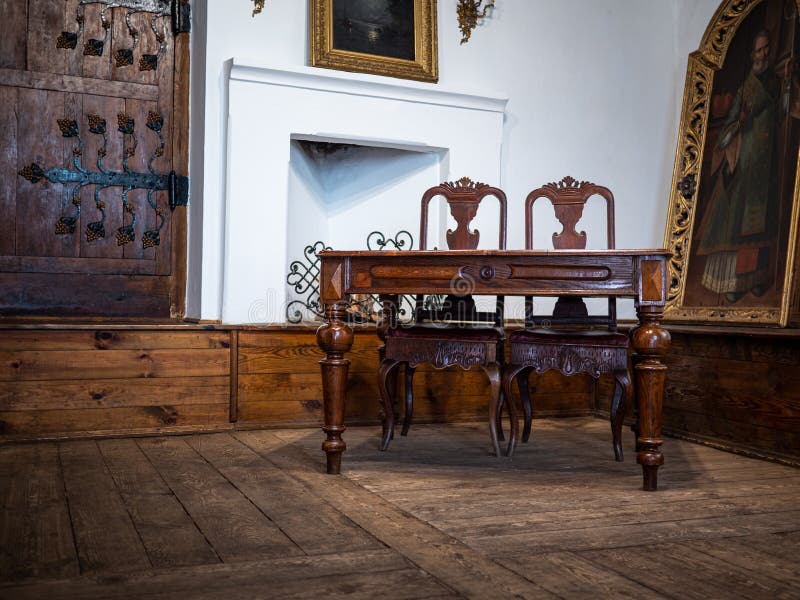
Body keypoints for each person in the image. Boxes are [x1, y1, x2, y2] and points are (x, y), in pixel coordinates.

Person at [696, 29, 793, 303]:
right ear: (751, 55)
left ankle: (757, 278)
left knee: (760, 222)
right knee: (738, 222)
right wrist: (736, 125)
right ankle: (735, 282)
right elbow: (729, 126)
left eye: (765, 49)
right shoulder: (745, 88)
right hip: (744, 161)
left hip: (766, 161)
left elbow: (783, 113)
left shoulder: (775, 82)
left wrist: (787, 87)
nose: (761, 54)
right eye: (757, 50)